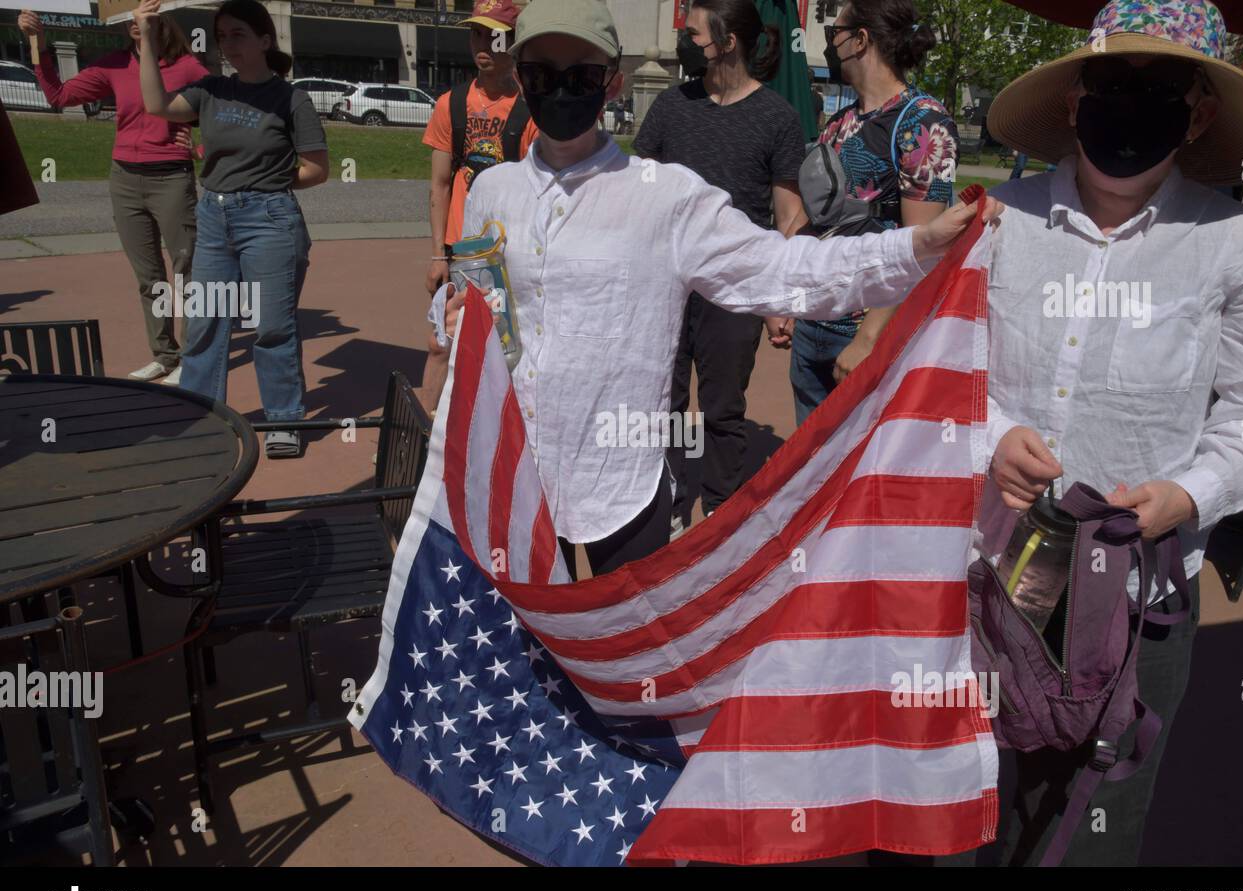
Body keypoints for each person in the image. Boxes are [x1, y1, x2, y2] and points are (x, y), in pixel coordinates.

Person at [424, 0, 1000, 580]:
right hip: (517, 473)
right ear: (520, 78)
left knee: (631, 654)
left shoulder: (663, 196)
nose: (561, 89)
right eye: (542, 73)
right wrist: (446, 317)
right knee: (524, 654)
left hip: (619, 484)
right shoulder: (491, 192)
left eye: (582, 74)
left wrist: (915, 246)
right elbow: (477, 303)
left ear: (612, 83)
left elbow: (782, 267)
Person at [979, 0, 1243, 865]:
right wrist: (991, 434)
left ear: (1199, 112)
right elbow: (940, 373)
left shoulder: (1238, 245)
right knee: (984, 786)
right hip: (996, 565)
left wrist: (1191, 495)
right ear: (1077, 96)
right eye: (1113, 82)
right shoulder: (996, 221)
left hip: (1142, 584)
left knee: (1100, 811)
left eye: (1163, 87)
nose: (1131, 101)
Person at [635, 0, 808, 537]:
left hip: (735, 290)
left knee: (723, 408)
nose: (685, 41)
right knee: (661, 400)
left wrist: (780, 299)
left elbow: (789, 215)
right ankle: (664, 505)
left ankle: (717, 516)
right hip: (664, 285)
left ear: (728, 41)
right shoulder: (671, 106)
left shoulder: (777, 117)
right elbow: (637, 190)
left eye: (693, 33)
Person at [136, 0, 328, 459]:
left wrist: (269, 181)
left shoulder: (290, 98)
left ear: (265, 40)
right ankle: (202, 414)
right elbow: (156, 104)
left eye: (238, 34)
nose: (227, 44)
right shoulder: (210, 90)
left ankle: (282, 419)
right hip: (215, 217)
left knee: (272, 326)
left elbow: (317, 169)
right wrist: (146, 37)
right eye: (222, 36)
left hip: (269, 220)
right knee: (205, 321)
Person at [20, 7, 208, 385]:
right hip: (124, 178)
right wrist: (35, 41)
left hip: (170, 178)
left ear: (161, 21)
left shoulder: (187, 67)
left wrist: (200, 147)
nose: (134, 24)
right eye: (128, 19)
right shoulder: (116, 64)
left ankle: (193, 358)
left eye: (143, 16)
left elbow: (225, 112)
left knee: (187, 273)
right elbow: (59, 96)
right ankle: (164, 354)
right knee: (148, 276)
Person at [793, 0, 957, 426]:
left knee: (855, 474)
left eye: (836, 34)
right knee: (806, 473)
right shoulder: (840, 121)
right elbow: (824, 218)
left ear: (860, 40)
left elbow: (923, 248)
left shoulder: (922, 122)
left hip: (864, 335)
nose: (832, 44)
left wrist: (868, 339)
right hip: (816, 321)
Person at [423, 0, 537, 297]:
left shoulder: (531, 111)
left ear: (514, 42)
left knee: (507, 339)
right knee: (454, 337)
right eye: (476, 33)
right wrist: (438, 256)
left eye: (494, 35)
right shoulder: (451, 104)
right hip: (460, 247)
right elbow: (440, 184)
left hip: (511, 249)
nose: (483, 44)